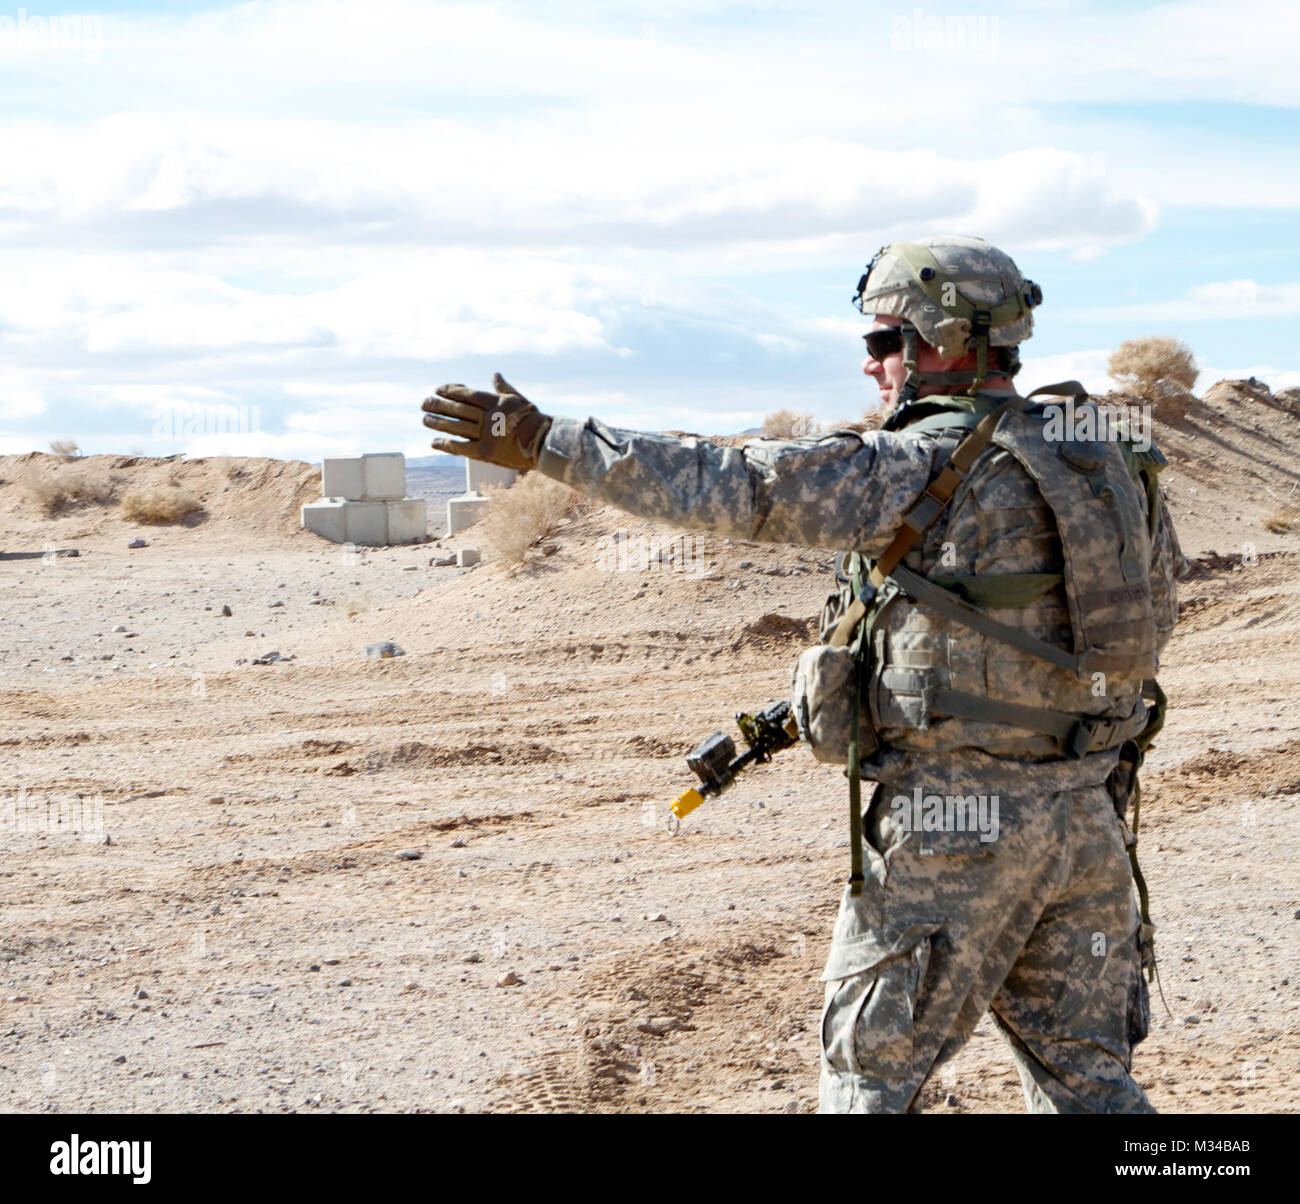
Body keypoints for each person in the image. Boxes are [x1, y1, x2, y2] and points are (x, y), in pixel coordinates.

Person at [420, 234, 1184, 1114]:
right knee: (1090, 1083)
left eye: (881, 340)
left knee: (869, 1078)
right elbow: (1147, 622)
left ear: (942, 338)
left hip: (954, 828)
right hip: (1088, 820)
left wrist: (549, 442)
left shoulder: (918, 460)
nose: (871, 367)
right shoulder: (1112, 462)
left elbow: (736, 483)